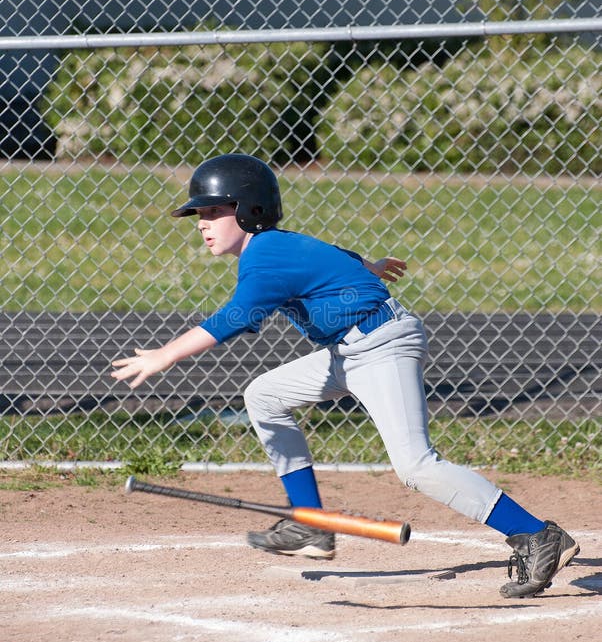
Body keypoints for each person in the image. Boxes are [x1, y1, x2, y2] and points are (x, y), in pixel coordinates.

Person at [111, 153, 580, 598]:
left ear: (250, 210)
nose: (204, 225)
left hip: (381, 346)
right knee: (265, 395)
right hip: (349, 352)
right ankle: (311, 521)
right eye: (200, 215)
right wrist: (368, 267)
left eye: (214, 211)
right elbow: (337, 254)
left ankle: (536, 535)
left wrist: (164, 356)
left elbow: (233, 317)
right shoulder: (280, 246)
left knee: (416, 466)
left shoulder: (265, 255)